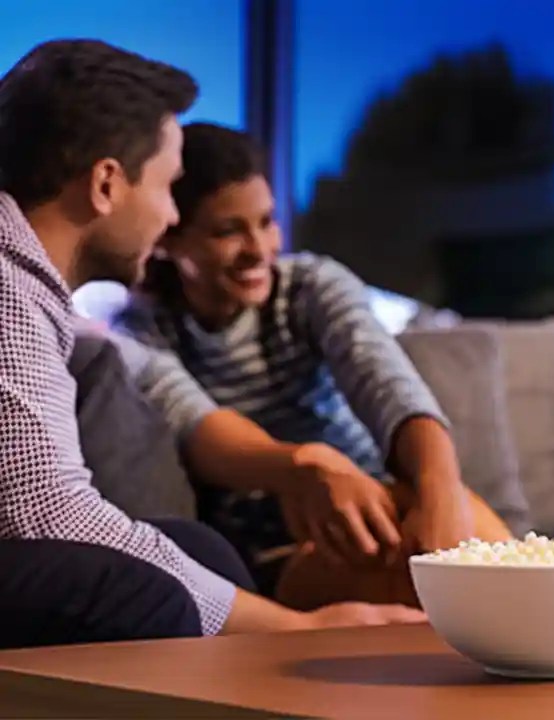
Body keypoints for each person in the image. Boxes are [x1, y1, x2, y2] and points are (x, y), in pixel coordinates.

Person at [0, 38, 425, 648]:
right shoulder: (8, 281)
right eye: (168, 186)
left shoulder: (29, 283)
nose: (172, 216)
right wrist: (296, 631)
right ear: (106, 184)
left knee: (195, 549)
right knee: (146, 593)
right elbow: (46, 515)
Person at [113, 122, 521, 608]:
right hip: (276, 545)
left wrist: (441, 489)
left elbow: (386, 382)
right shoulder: (142, 330)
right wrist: (306, 466)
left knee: (490, 566)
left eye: (266, 223)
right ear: (169, 239)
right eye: (228, 231)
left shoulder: (309, 286)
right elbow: (200, 427)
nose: (258, 250)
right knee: (439, 591)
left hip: (383, 501)